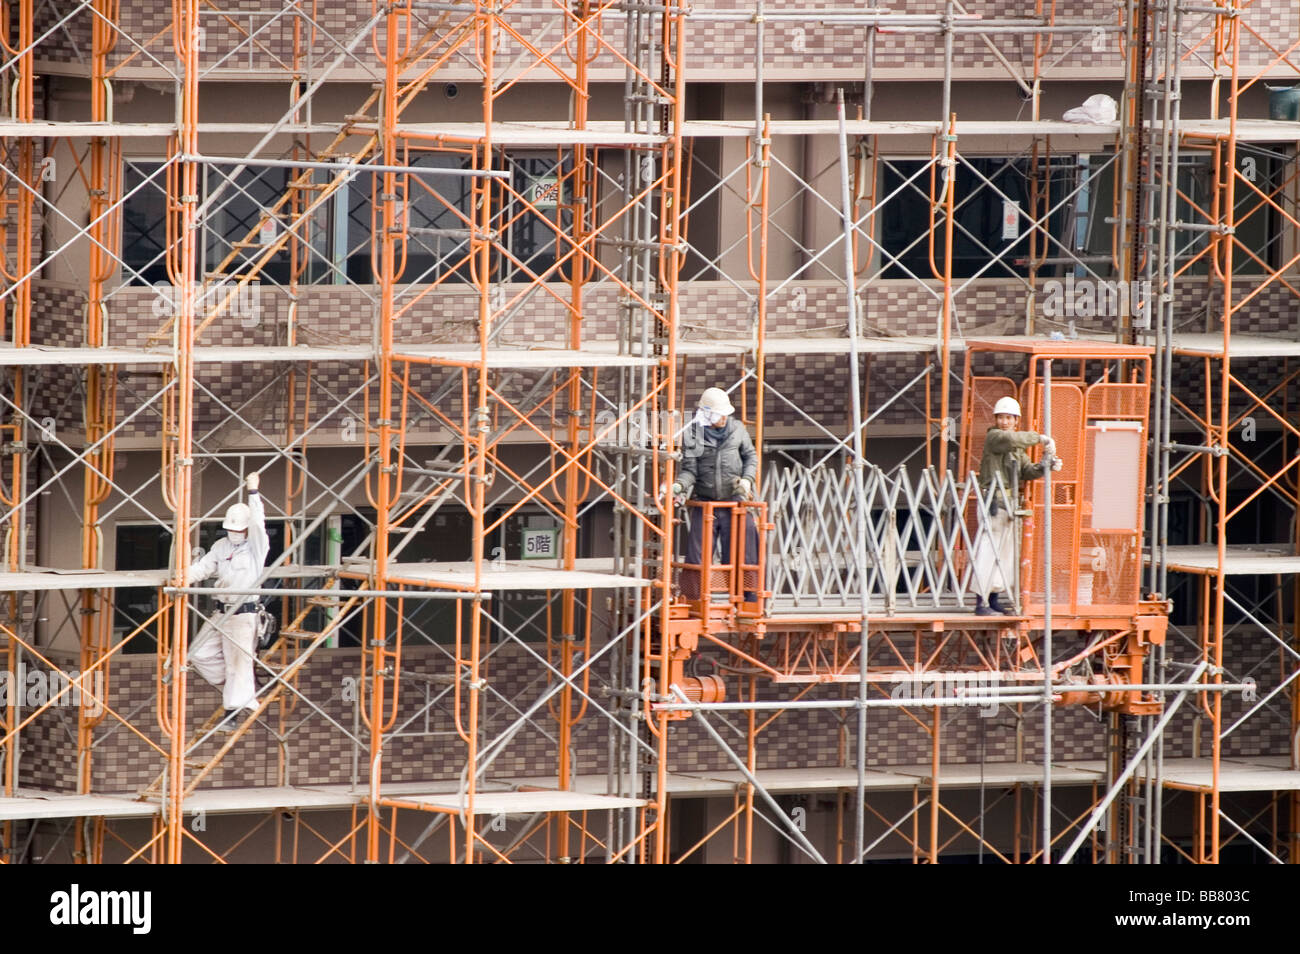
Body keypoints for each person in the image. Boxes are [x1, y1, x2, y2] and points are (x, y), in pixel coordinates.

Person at [970, 396, 1063, 616]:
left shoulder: (1016, 448)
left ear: (1015, 420)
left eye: (1008, 418)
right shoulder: (995, 437)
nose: (1004, 421)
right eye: (1001, 417)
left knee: (1004, 554)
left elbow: (1026, 471)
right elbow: (1011, 439)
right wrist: (1040, 438)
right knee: (989, 551)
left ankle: (993, 600)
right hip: (993, 502)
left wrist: (1045, 466)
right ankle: (981, 603)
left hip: (1009, 504)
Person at [186, 473, 269, 720]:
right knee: (198, 654)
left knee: (237, 664)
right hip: (222, 611)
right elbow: (203, 568)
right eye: (231, 529)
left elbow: (258, 524)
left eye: (238, 529)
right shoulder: (221, 546)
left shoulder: (256, 547)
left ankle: (233, 711)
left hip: (243, 613)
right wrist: (182, 577)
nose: (234, 533)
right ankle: (240, 688)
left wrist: (253, 493)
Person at [671, 387, 760, 602]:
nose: (724, 418)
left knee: (744, 550)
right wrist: (679, 485)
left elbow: (751, 457)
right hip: (705, 502)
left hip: (734, 501)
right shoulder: (694, 434)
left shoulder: (737, 430)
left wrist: (747, 479)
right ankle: (694, 599)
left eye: (725, 414)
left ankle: (748, 599)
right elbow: (690, 470)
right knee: (697, 555)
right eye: (720, 414)